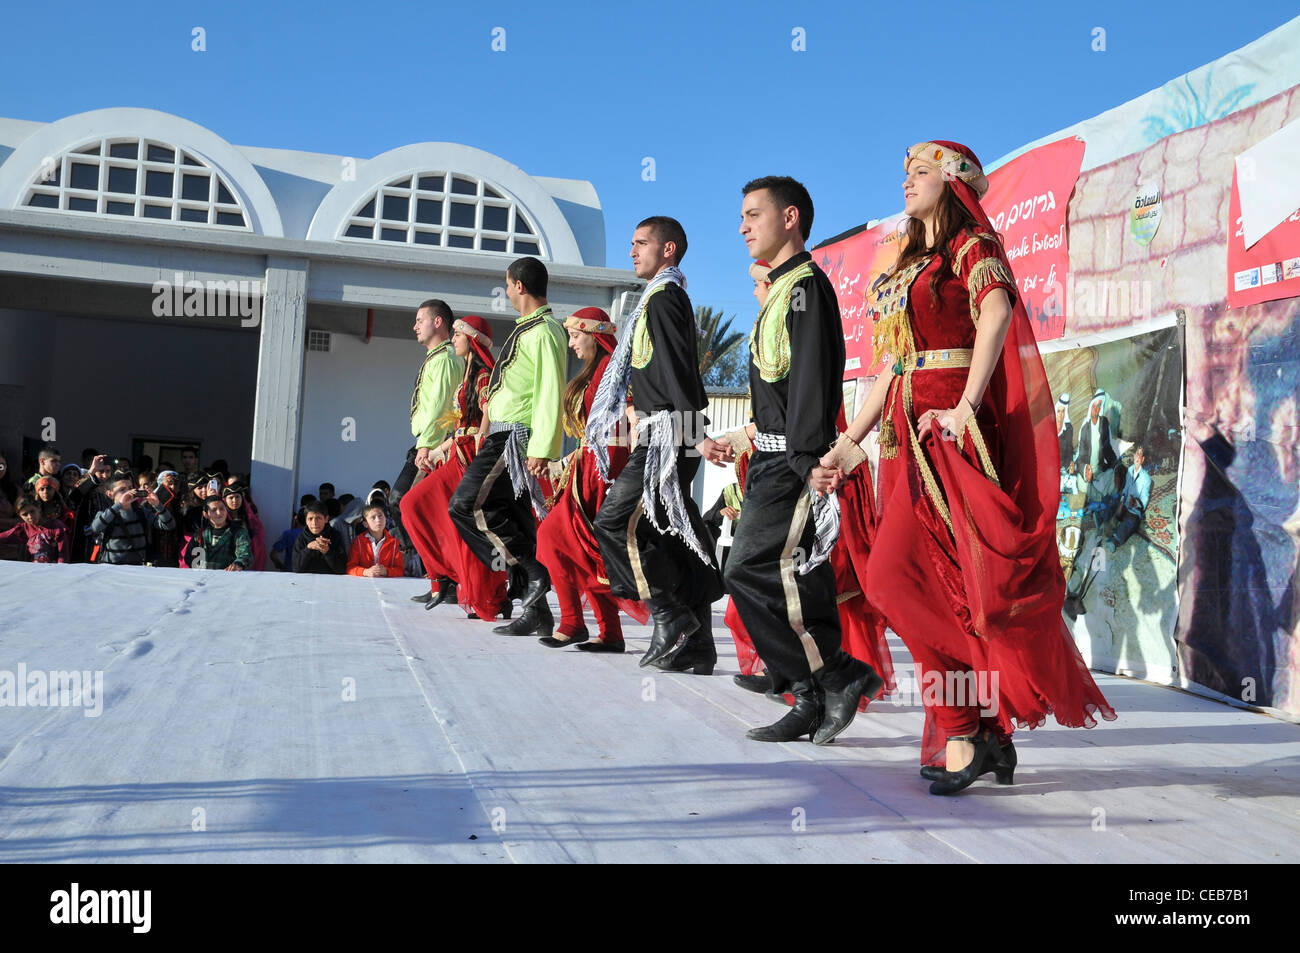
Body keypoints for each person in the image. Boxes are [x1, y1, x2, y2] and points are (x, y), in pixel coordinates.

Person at [833, 141, 1115, 794]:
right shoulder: (916, 265)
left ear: (954, 183)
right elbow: (894, 366)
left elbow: (995, 313)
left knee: (893, 581)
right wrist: (853, 440)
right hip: (908, 437)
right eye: (903, 171)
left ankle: (967, 726)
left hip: (950, 439)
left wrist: (963, 406)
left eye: (920, 171)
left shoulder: (972, 248)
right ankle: (987, 728)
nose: (906, 180)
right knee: (928, 587)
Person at [725, 176, 882, 742]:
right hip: (774, 455)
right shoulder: (782, 289)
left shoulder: (806, 289)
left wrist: (806, 456)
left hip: (795, 460)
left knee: (749, 568)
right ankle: (812, 695)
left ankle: (837, 674)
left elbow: (814, 381)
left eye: (752, 214)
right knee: (791, 576)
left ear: (790, 218)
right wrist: (748, 440)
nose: (742, 226)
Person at [587, 217, 729, 674]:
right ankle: (700, 644)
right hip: (664, 431)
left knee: (613, 522)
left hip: (671, 435)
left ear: (668, 249)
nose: (632, 251)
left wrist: (695, 435)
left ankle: (670, 615)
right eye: (631, 243)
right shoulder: (657, 298)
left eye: (641, 243)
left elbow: (677, 372)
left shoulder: (664, 300)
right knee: (674, 536)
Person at [449, 258, 567, 638]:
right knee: (514, 523)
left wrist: (543, 447)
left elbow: (551, 391)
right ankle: (535, 606)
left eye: (507, 285)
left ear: (518, 285)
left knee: (466, 505)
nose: (506, 291)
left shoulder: (546, 331)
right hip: (501, 434)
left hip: (516, 437)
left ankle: (534, 576)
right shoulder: (527, 329)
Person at [533, 307, 650, 649]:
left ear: (593, 334)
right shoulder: (597, 369)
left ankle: (577, 624)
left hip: (599, 475)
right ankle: (605, 631)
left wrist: (618, 462)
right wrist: (570, 458)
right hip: (584, 469)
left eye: (574, 335)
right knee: (571, 546)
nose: (571, 344)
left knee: (563, 542)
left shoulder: (612, 369)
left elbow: (627, 412)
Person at [404, 313, 509, 620]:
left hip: (470, 462)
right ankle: (445, 578)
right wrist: (441, 449)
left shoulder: (484, 379)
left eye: (459, 335)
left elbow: (484, 432)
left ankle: (488, 593)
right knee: (416, 507)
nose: (453, 339)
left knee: (445, 518)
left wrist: (441, 448)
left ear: (473, 340)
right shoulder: (467, 374)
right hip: (457, 457)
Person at [398, 299, 465, 605]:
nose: (415, 326)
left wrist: (428, 447)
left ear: (439, 322)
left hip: (434, 445)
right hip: (425, 441)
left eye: (419, 319)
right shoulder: (436, 358)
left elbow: (440, 407)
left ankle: (446, 578)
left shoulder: (446, 359)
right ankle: (442, 578)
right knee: (411, 506)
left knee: (411, 504)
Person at [90, 474, 176, 566]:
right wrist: (119, 505)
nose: (128, 492)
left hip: (136, 567)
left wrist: (157, 505)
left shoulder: (142, 512)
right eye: (122, 489)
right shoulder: (106, 513)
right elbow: (95, 528)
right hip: (111, 567)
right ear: (110, 494)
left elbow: (169, 525)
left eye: (130, 487)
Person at [1105, 445, 1151, 551]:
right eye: (1137, 454)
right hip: (1124, 505)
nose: (1138, 457)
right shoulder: (1130, 470)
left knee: (1130, 522)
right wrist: (1121, 502)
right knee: (1111, 502)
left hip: (1133, 511)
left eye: (1140, 455)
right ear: (1134, 456)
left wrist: (1135, 502)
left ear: (1143, 459)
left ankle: (1114, 540)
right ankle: (1105, 523)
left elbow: (1145, 498)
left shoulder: (1146, 479)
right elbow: (1125, 489)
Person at [0, 496, 70, 563]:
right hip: (34, 571)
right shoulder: (24, 529)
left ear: (38, 508)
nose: (30, 516)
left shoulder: (56, 527)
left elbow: (63, 555)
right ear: (19, 516)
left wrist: (60, 572)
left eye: (32, 511)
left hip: (54, 571)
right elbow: (5, 536)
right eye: (25, 514)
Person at [191, 496, 252, 571]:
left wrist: (238, 564)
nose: (219, 513)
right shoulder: (200, 534)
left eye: (222, 509)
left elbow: (246, 554)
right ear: (205, 514)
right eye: (214, 510)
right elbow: (189, 557)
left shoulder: (238, 532)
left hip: (227, 578)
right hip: (204, 579)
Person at [347, 501, 405, 578]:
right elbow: (350, 568)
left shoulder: (394, 543)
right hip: (363, 586)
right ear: (365, 524)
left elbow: (400, 570)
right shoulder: (358, 542)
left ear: (385, 519)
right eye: (373, 518)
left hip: (388, 586)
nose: (378, 520)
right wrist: (365, 572)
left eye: (380, 516)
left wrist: (386, 571)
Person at [221, 481, 266, 571]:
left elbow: (258, 537)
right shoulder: (221, 518)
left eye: (237, 497)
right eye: (231, 498)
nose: (235, 501)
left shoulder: (249, 518)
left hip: (248, 560)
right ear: (225, 499)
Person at [292, 502, 347, 574]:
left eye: (318, 518)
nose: (314, 523)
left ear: (326, 519)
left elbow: (342, 569)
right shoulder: (302, 538)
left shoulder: (335, 536)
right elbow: (296, 569)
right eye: (310, 519)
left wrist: (327, 552)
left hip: (330, 583)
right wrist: (308, 549)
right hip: (306, 583)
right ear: (306, 521)